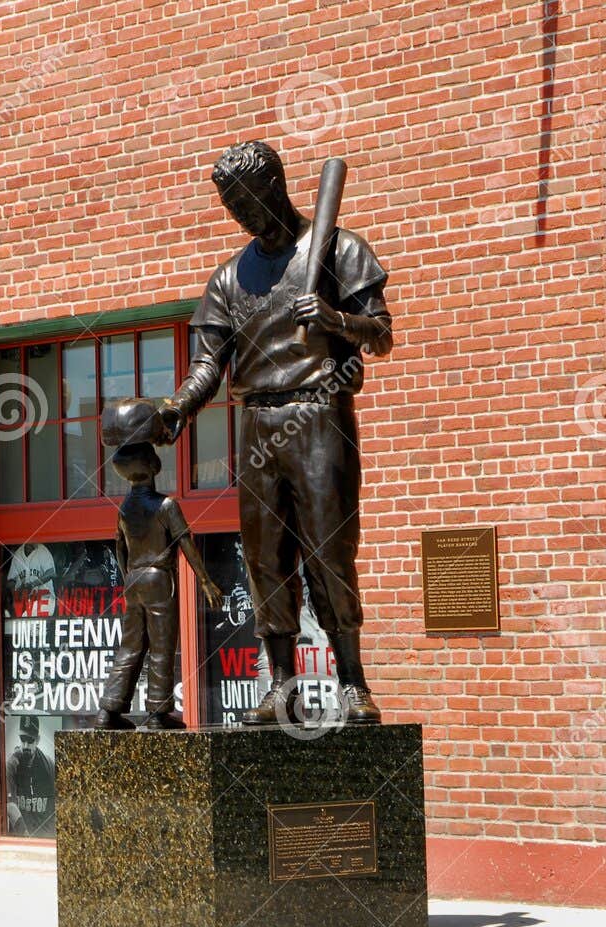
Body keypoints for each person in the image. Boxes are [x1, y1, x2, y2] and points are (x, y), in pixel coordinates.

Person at [149, 140, 393, 726]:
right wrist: (179, 408)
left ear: (276, 188)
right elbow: (209, 363)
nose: (243, 217)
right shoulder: (230, 279)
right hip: (257, 421)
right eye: (233, 208)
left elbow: (381, 335)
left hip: (319, 414)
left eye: (248, 203)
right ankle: (280, 682)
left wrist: (334, 319)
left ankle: (353, 681)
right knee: (265, 557)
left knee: (330, 552)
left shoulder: (338, 250)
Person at [93, 404, 225, 730]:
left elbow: (119, 548)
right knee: (163, 646)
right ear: (153, 467)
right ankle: (157, 713)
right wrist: (206, 581)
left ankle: (108, 710)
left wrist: (128, 578)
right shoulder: (166, 505)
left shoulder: (124, 509)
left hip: (134, 580)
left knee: (131, 645)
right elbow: (186, 544)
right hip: (157, 578)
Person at [4, 715, 55, 837]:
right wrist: (25, 837)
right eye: (23, 739)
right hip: (19, 838)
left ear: (37, 740)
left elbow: (55, 806)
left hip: (43, 837)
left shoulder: (49, 765)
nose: (25, 745)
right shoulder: (12, 764)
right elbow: (9, 805)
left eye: (30, 740)